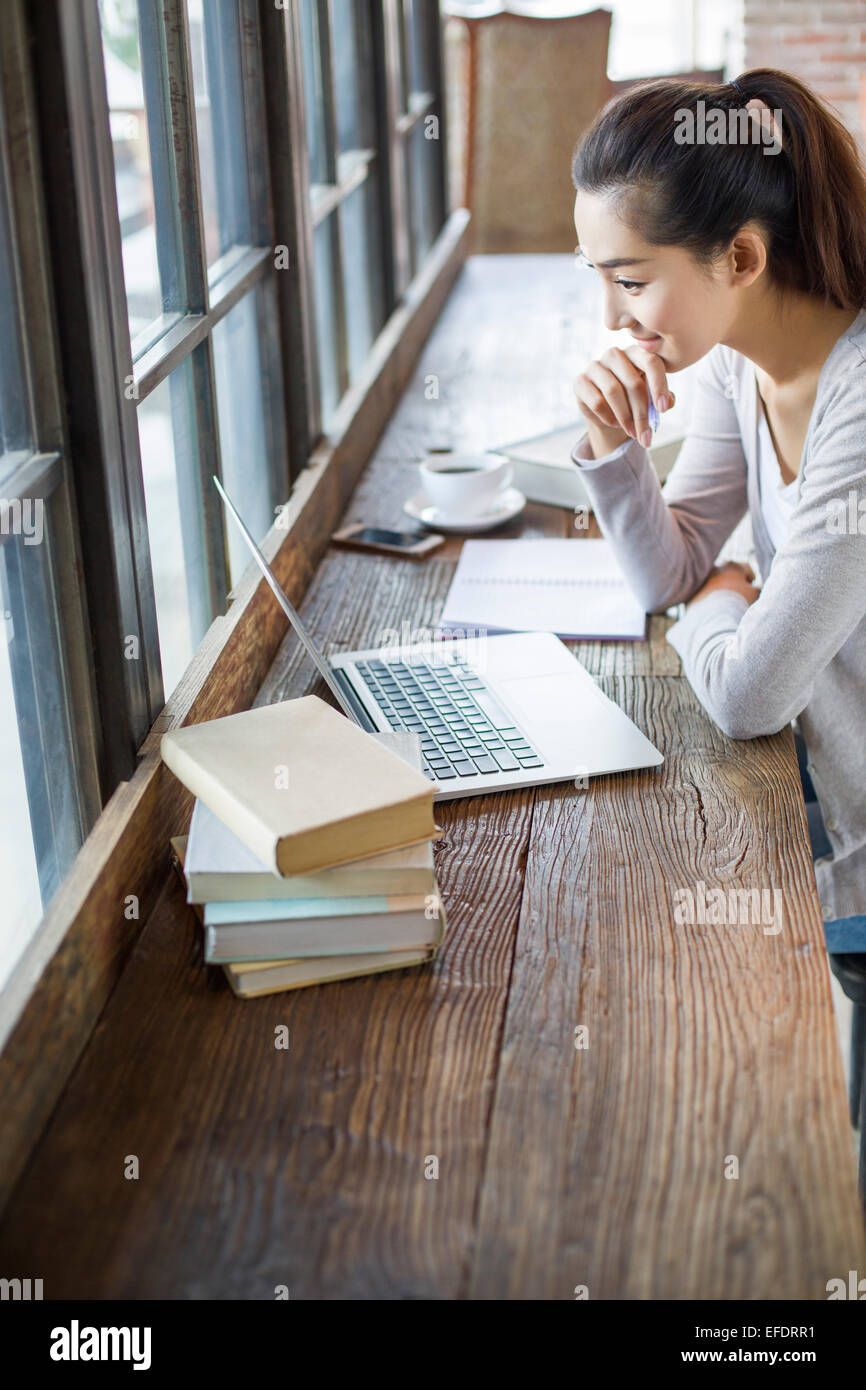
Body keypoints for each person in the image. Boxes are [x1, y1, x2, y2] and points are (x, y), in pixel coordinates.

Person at [569, 68, 866, 948]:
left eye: (629, 281)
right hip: (818, 792)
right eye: (598, 276)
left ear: (739, 257)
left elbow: (748, 695)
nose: (611, 317)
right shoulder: (738, 356)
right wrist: (606, 442)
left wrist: (715, 602)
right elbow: (674, 568)